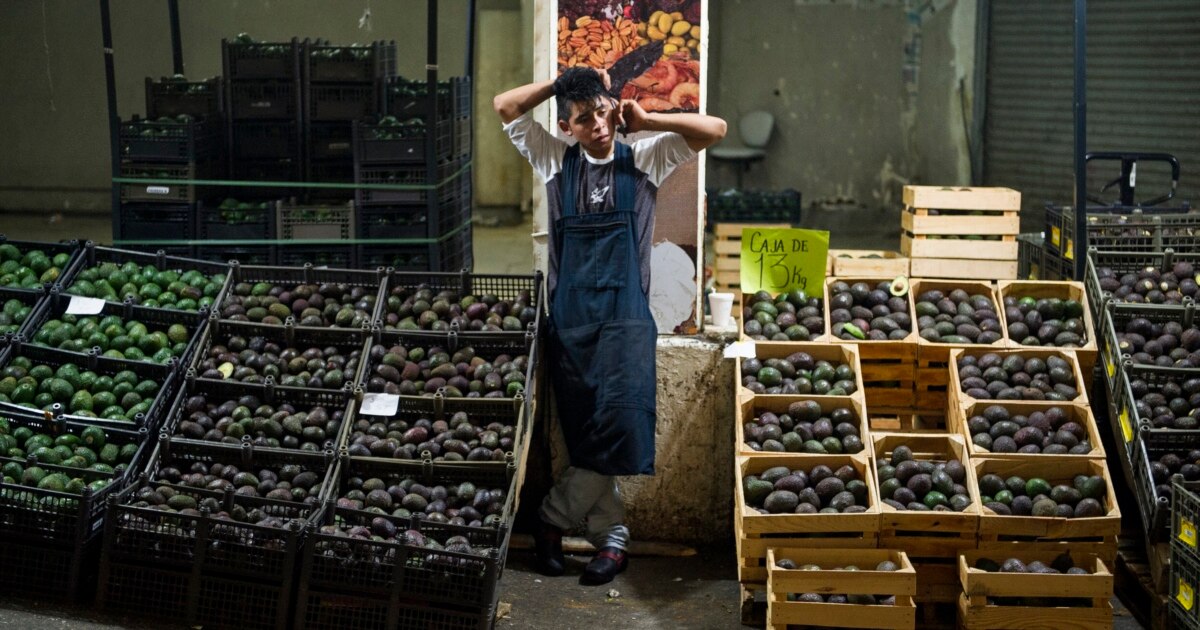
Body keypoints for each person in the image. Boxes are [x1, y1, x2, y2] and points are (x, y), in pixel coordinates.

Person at [493, 67, 726, 585]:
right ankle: (611, 540)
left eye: (601, 111)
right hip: (571, 322)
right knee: (584, 437)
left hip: (625, 322)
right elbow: (505, 106)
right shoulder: (554, 161)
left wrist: (648, 117)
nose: (597, 125)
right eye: (582, 118)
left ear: (612, 110)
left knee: (619, 429)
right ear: (567, 126)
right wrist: (561, 83)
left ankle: (550, 520)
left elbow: (716, 130)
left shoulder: (645, 156)